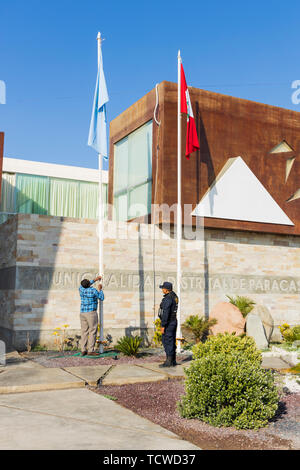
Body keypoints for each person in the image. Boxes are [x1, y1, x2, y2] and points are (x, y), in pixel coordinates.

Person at [79, 275, 104, 356]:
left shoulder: (81, 289)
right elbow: (101, 297)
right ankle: (90, 350)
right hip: (91, 313)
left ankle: (83, 350)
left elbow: (86, 284)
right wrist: (100, 290)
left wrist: (95, 280)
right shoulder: (93, 290)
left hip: (82, 313)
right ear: (89, 284)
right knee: (92, 331)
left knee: (84, 331)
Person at [158, 281, 178, 367]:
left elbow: (166, 313)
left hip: (168, 323)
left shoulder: (168, 299)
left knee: (167, 341)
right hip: (173, 321)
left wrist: (163, 326)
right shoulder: (174, 296)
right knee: (172, 340)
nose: (162, 289)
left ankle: (169, 362)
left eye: (163, 288)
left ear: (166, 290)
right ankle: (173, 360)